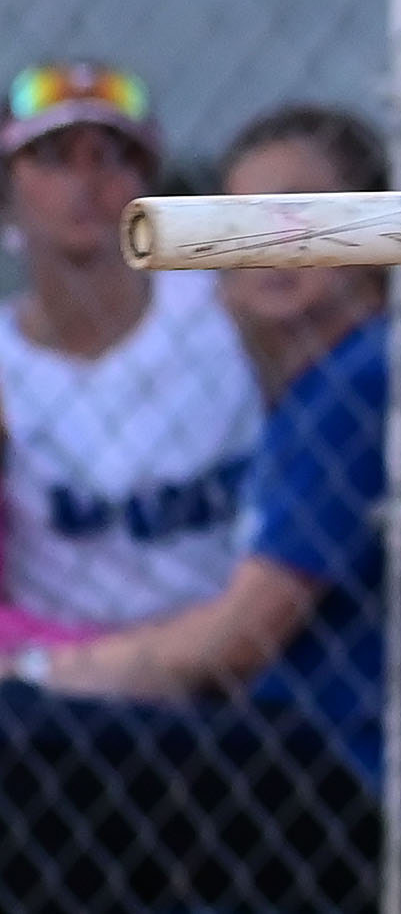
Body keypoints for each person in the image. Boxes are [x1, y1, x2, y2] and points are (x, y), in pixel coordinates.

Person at [0, 103, 401, 912]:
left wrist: (35, 674)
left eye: (302, 211)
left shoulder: (368, 380)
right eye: (241, 219)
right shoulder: (321, 378)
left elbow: (240, 638)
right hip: (280, 744)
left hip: (352, 768)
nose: (269, 240)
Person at [0, 60, 262, 642]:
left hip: (228, 665)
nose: (85, 182)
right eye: (52, 158)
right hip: (51, 687)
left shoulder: (227, 314)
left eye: (113, 156)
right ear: (8, 193)